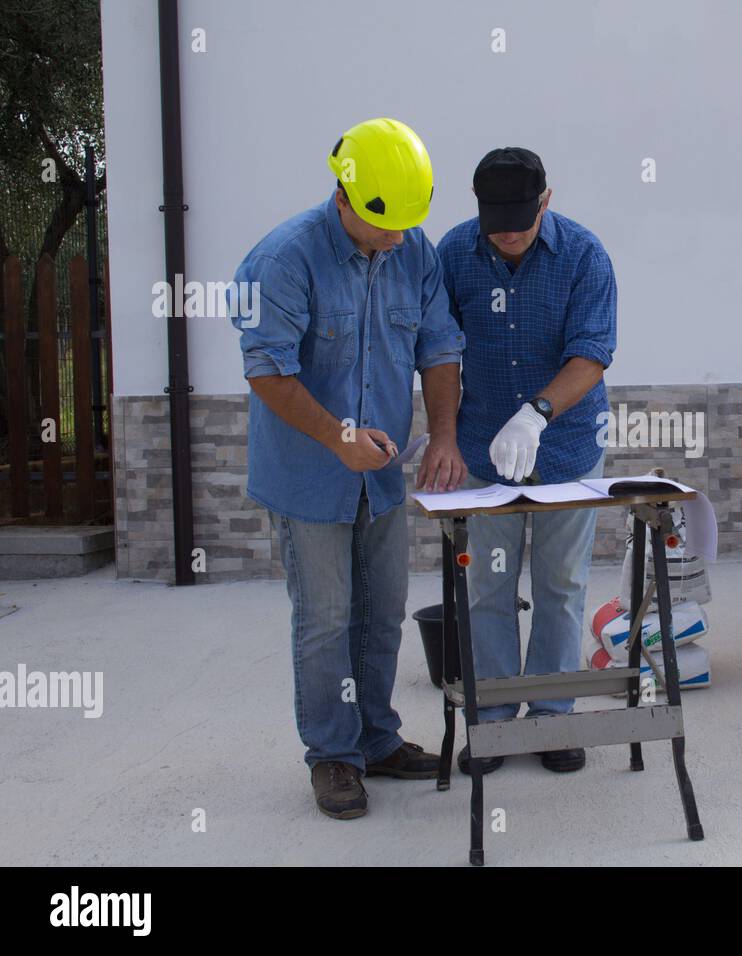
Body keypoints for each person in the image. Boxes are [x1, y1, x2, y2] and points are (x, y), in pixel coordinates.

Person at [231, 118, 466, 819]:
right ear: (346, 198)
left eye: (408, 226)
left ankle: (377, 738)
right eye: (385, 225)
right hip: (310, 479)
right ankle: (333, 757)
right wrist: (338, 438)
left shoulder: (413, 249)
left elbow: (440, 344)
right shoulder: (286, 258)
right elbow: (268, 370)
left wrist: (446, 433)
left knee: (382, 614)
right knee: (326, 619)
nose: (399, 239)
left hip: (382, 480)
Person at [437, 147, 617, 774]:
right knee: (486, 584)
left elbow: (592, 351)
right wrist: (440, 436)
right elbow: (437, 347)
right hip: (483, 447)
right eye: (497, 219)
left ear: (547, 199)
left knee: (560, 586)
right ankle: (491, 720)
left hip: (566, 447)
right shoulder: (455, 252)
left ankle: (550, 718)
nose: (509, 232)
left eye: (521, 216)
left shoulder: (584, 255)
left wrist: (536, 413)